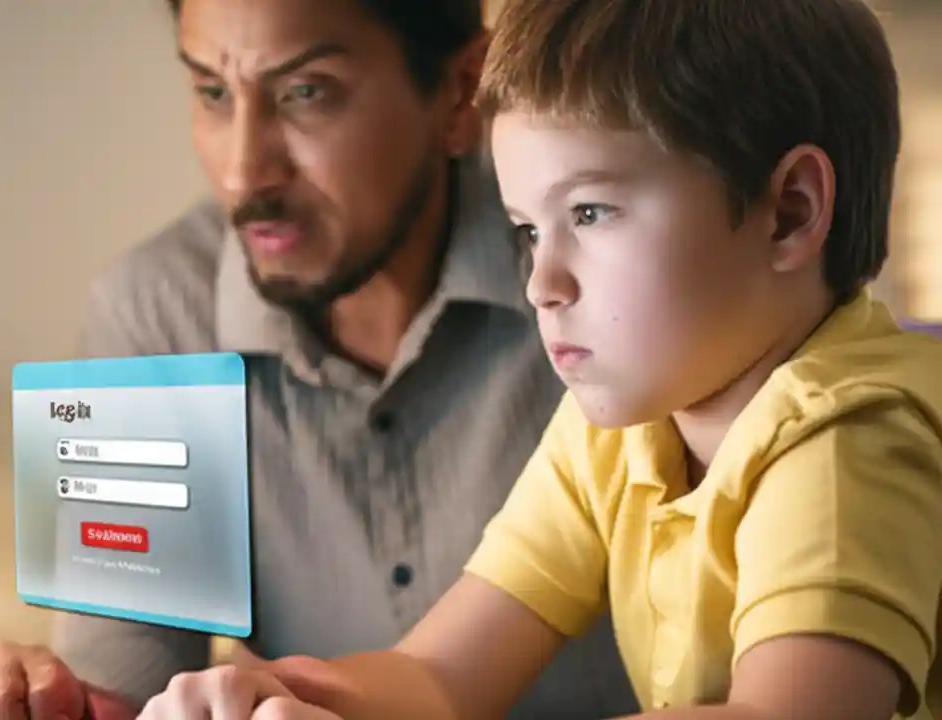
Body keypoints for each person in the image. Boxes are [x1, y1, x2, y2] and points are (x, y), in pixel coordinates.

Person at [134, 0, 942, 718]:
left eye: (589, 213)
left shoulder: (848, 438)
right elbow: (439, 677)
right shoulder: (622, 431)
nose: (541, 284)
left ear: (790, 211)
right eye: (527, 230)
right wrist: (281, 699)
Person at [0, 0, 640, 718]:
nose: (244, 173)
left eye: (307, 92)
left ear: (462, 89)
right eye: (213, 92)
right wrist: (51, 703)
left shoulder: (611, 273)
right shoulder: (150, 313)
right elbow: (123, 682)